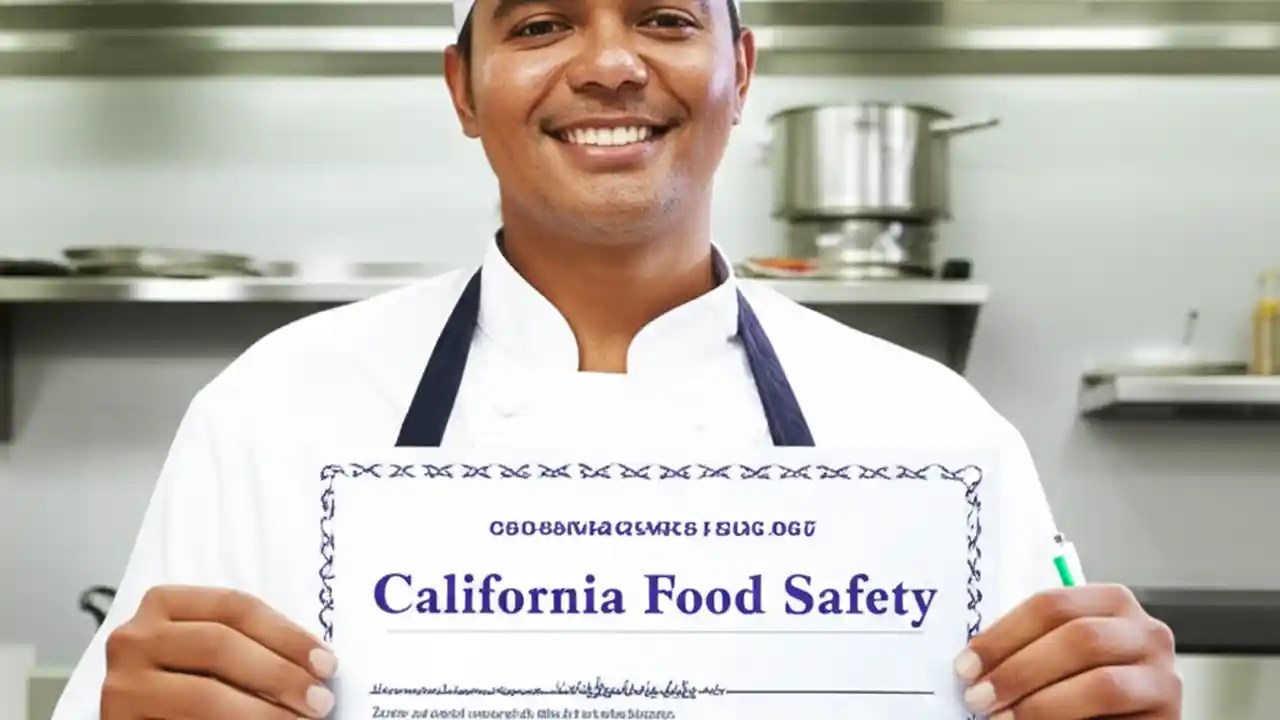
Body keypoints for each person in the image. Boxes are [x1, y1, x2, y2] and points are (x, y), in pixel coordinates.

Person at [51, 0, 1181, 718]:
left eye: (663, 18)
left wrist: (1107, 698)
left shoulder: (933, 431)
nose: (607, 64)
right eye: (540, 24)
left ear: (738, 69)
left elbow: (1055, 690)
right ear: (460, 88)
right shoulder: (272, 408)